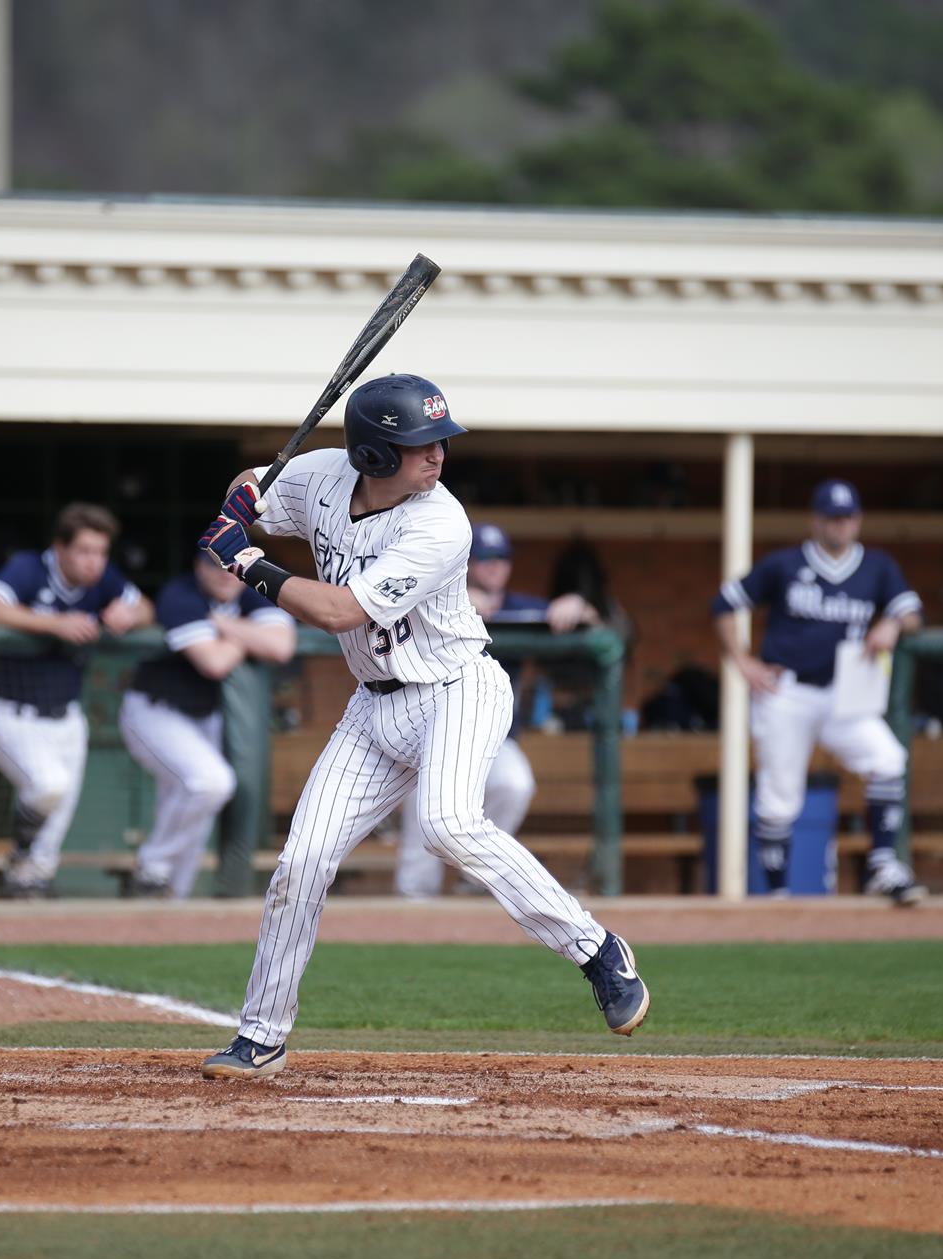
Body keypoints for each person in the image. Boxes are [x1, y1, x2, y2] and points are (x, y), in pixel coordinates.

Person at [192, 373, 649, 1080]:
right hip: (373, 706)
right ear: (372, 456)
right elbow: (251, 481)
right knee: (301, 862)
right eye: (418, 445)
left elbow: (341, 612)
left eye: (439, 441)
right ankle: (262, 1035)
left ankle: (597, 950)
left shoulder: (440, 521)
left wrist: (247, 560)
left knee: (446, 823)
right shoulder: (318, 477)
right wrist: (238, 502)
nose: (436, 456)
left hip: (455, 687)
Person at [711, 479, 926, 905]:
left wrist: (892, 623)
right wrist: (742, 660)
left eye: (846, 518)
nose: (839, 526)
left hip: (847, 693)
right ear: (815, 521)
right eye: (831, 518)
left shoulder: (877, 566)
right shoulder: (785, 564)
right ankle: (778, 895)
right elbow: (723, 604)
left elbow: (913, 613)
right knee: (778, 796)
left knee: (887, 759)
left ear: (858, 521)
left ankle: (883, 865)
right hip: (786, 690)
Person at [393, 522, 598, 899]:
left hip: (492, 735)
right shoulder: (440, 595)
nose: (494, 567)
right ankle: (414, 901)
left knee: (515, 783)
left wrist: (578, 604)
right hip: (427, 731)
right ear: (468, 564)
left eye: (501, 559)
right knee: (423, 808)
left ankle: (474, 879)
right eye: (485, 559)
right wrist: (457, 603)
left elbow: (592, 621)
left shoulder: (519, 605)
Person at [0, 503, 151, 896]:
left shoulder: (103, 581)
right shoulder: (30, 567)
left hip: (68, 719)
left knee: (55, 823)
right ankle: (21, 850)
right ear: (61, 548)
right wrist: (53, 623)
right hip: (12, 717)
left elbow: (146, 608)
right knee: (48, 786)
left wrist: (130, 614)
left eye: (101, 552)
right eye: (84, 551)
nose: (93, 562)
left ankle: (27, 886)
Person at [118, 549, 296, 899]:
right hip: (156, 712)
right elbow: (213, 662)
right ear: (198, 566)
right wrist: (247, 639)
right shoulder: (179, 594)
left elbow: (281, 647)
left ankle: (170, 900)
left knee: (191, 807)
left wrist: (224, 626)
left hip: (206, 718)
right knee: (210, 783)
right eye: (214, 566)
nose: (223, 575)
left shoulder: (252, 593)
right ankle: (152, 867)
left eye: (231, 568)